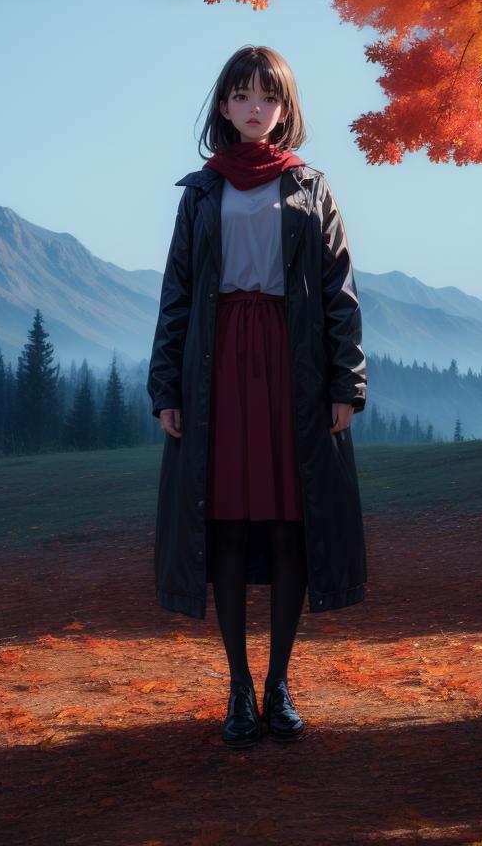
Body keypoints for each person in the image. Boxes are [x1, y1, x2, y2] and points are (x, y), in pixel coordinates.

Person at [147, 44, 368, 748]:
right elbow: (176, 295)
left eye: (266, 98)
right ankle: (237, 689)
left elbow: (340, 294)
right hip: (213, 372)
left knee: (290, 523)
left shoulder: (312, 188)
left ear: (284, 109)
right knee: (230, 527)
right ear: (222, 106)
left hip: (292, 368)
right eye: (241, 96)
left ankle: (279, 684)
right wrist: (166, 389)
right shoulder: (201, 193)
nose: (254, 109)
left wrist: (346, 385)